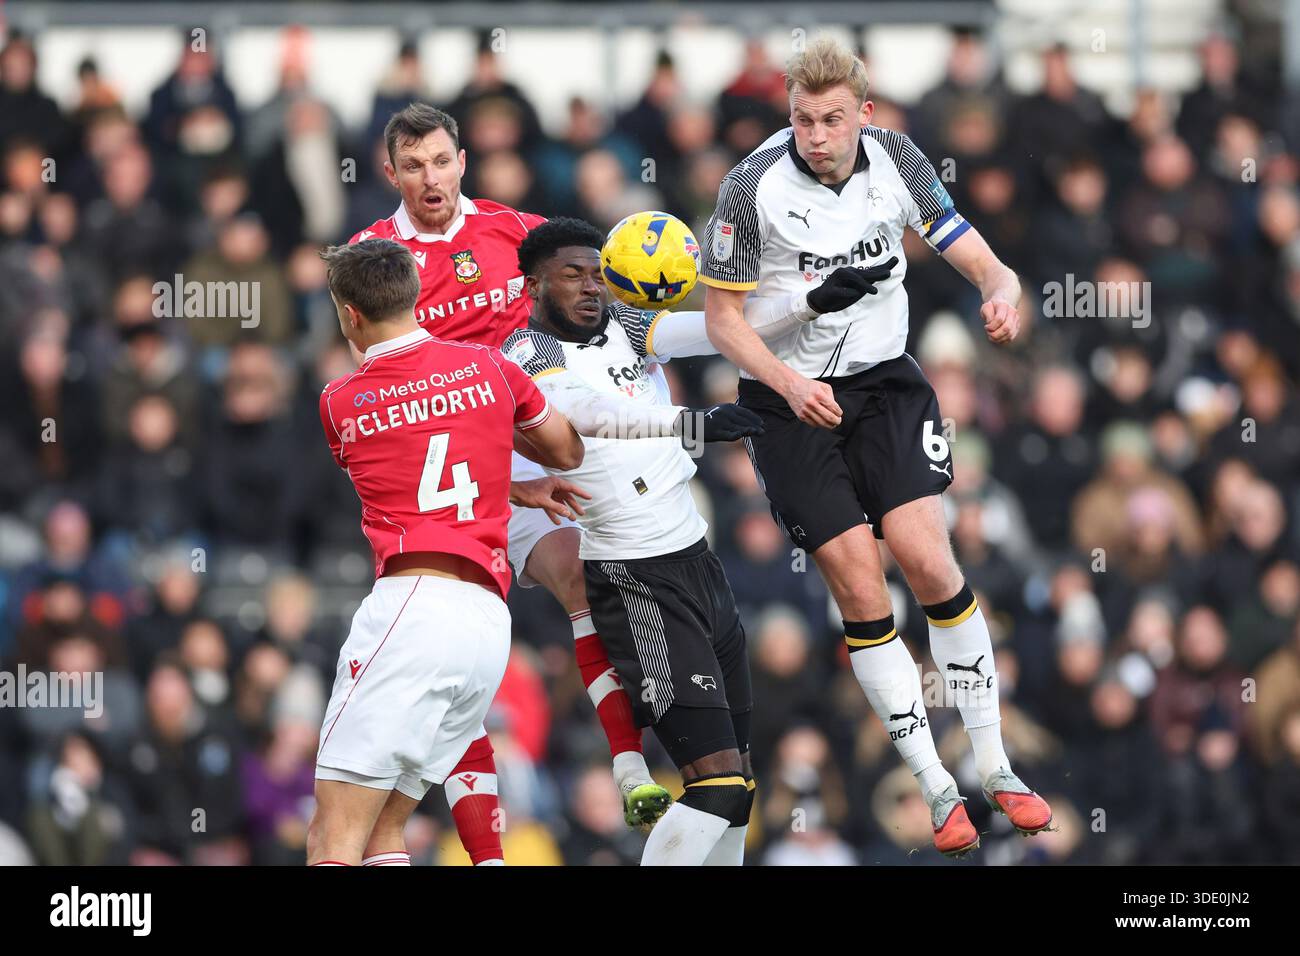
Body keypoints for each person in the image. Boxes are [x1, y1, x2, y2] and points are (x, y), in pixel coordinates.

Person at [699, 36, 1051, 855]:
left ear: (864, 113)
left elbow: (970, 250)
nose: (814, 135)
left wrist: (1001, 288)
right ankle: (935, 784)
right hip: (787, 403)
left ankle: (995, 766)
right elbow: (722, 323)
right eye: (800, 119)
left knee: (928, 559)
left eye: (829, 119)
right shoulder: (749, 189)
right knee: (862, 585)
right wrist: (788, 386)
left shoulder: (897, 155)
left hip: (886, 385)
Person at [501, 217, 886, 863]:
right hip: (633, 576)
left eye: (598, 272)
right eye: (572, 275)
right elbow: (592, 416)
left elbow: (714, 328)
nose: (591, 286)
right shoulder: (525, 358)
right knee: (715, 786)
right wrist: (695, 423)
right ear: (532, 283)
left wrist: (810, 301)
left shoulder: (625, 325)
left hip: (697, 562)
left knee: (740, 791)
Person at [349, 103, 671, 859]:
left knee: (587, 583)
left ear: (463, 160)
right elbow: (379, 390)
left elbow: (591, 303)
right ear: (390, 172)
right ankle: (487, 855)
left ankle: (629, 767)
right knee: (463, 666)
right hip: (446, 475)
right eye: (413, 165)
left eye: (441, 160)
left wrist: (649, 353)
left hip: (531, 442)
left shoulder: (516, 231)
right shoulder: (374, 256)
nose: (430, 178)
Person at [306, 238, 583, 866]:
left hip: (413, 606)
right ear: (417, 295)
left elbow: (407, 464)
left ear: (349, 314)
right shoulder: (491, 369)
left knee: (332, 836)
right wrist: (513, 478)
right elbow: (567, 451)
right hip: (485, 624)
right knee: (382, 834)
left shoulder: (339, 401)